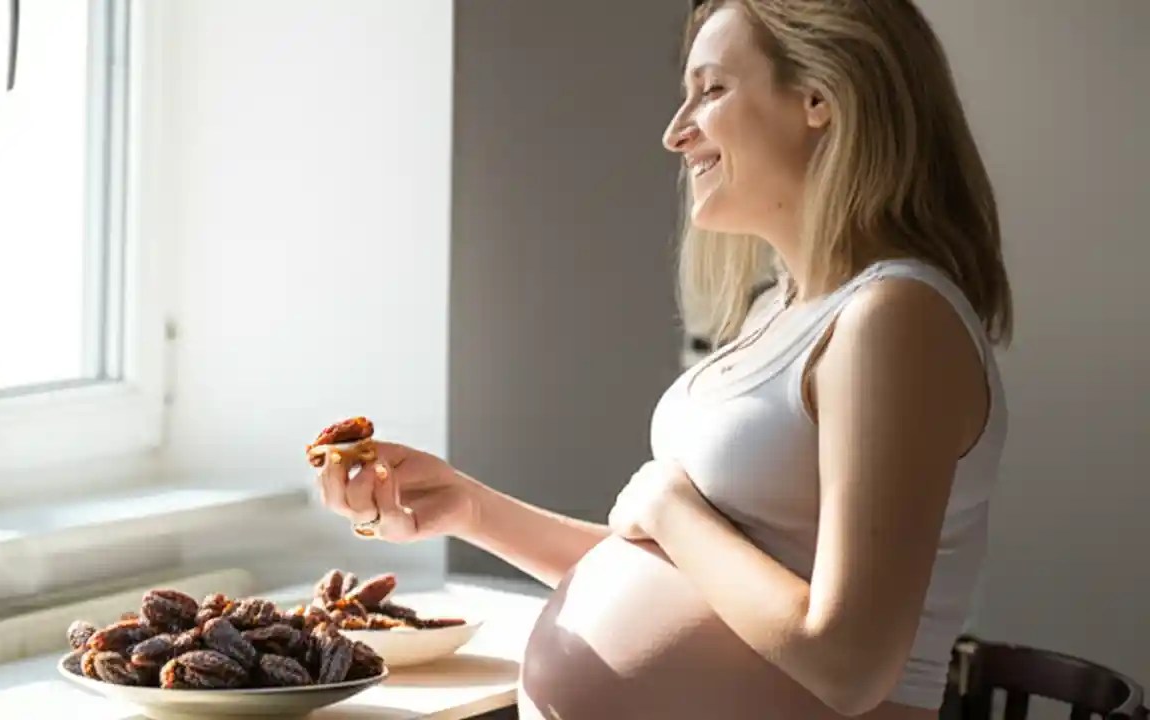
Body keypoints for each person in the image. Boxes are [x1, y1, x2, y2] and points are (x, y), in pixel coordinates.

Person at [315, 0, 1012, 717]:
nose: (676, 134)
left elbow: (849, 663)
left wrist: (672, 508)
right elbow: (690, 576)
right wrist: (467, 507)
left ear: (819, 98)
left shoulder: (894, 318)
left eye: (710, 90)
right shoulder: (782, 310)